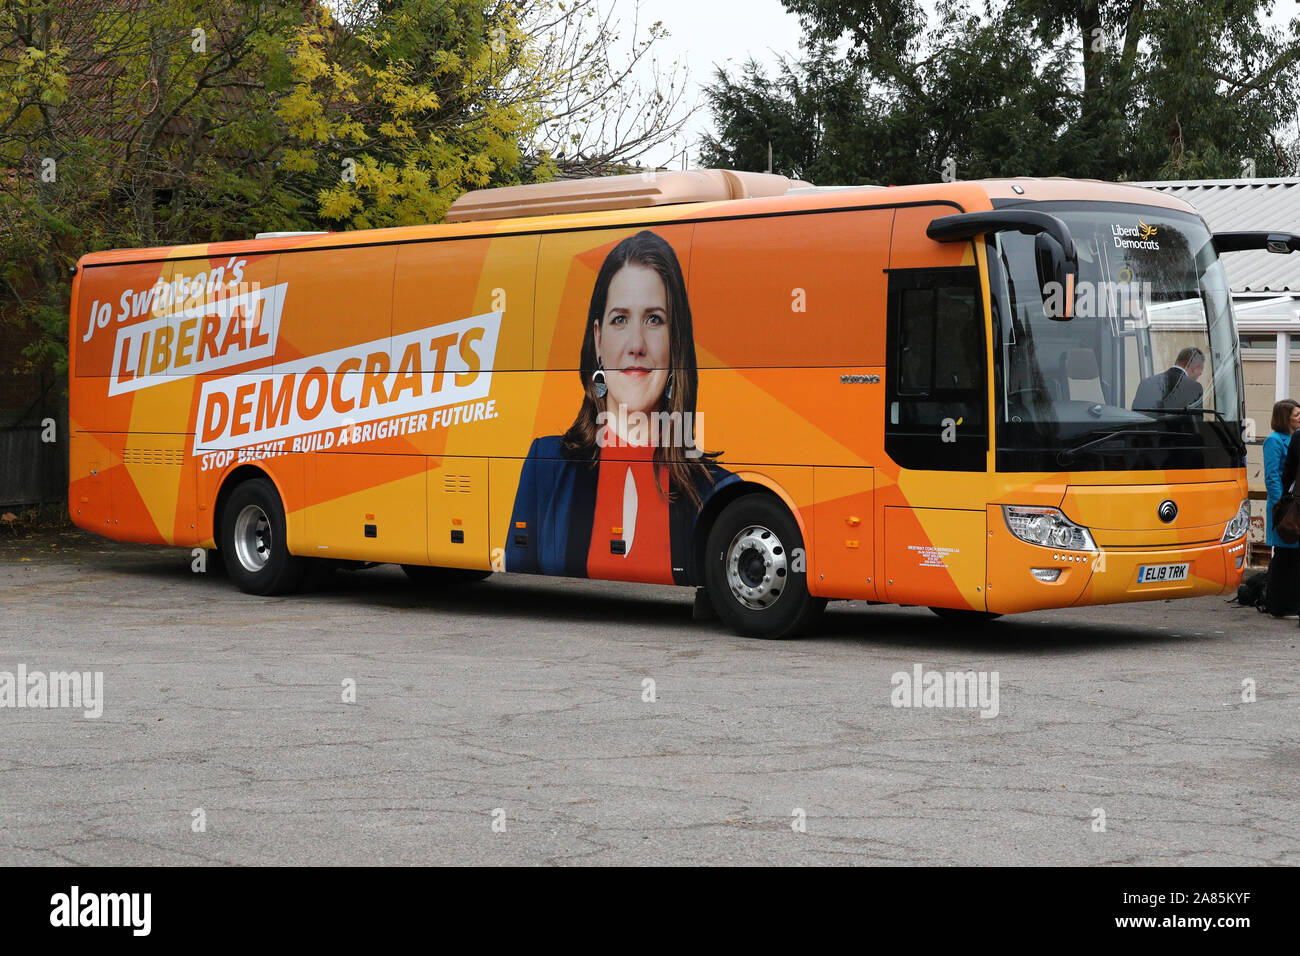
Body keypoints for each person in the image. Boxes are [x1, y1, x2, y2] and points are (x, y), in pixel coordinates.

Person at [506, 230, 733, 583]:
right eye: (620, 319)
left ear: (676, 342)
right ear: (598, 339)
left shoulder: (716, 488)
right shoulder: (546, 466)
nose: (636, 344)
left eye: (654, 319)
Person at [1272, 399, 1300, 616]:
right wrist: (1280, 502)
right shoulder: (1275, 441)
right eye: (1296, 414)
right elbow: (1276, 475)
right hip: (1288, 507)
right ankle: (1281, 604)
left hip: (1292, 503)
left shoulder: (1295, 437)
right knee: (1285, 556)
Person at [1132, 346, 1205, 410]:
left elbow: (1136, 418)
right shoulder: (1195, 388)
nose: (1198, 376)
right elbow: (1196, 423)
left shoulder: (1146, 383)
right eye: (1199, 373)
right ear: (1195, 367)